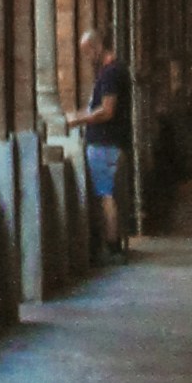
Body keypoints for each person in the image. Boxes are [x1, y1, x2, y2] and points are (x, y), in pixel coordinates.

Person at [80, 32, 133, 250]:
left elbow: (107, 110)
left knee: (105, 196)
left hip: (105, 143)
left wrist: (77, 120)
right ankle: (114, 242)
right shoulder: (113, 71)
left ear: (96, 47)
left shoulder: (111, 74)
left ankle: (112, 245)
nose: (87, 58)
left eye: (87, 52)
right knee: (108, 194)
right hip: (110, 142)